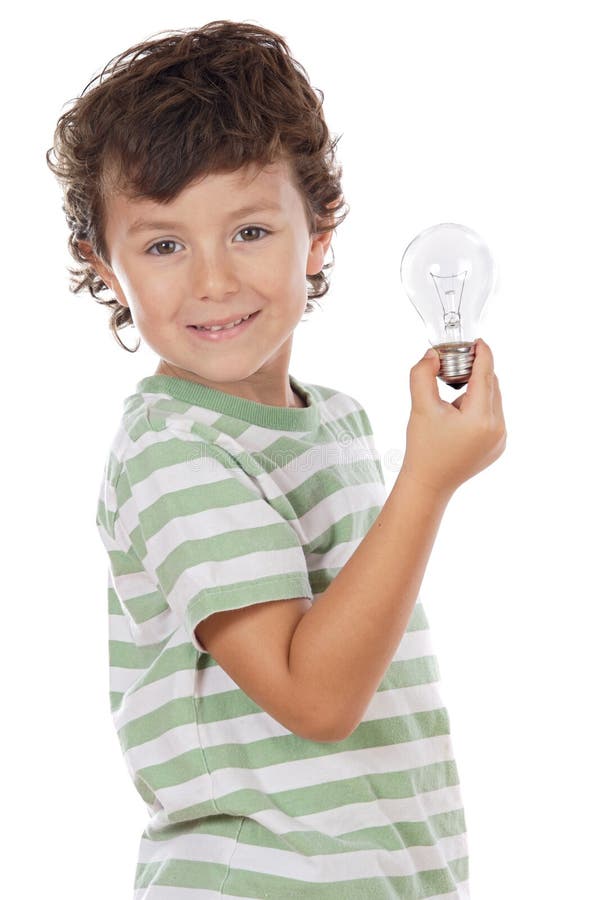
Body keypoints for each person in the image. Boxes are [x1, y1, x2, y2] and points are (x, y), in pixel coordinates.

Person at [46, 19, 506, 899]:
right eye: (165, 245)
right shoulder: (173, 450)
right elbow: (315, 698)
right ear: (104, 266)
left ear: (321, 230)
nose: (213, 281)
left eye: (250, 231)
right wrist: (428, 480)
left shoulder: (331, 421)